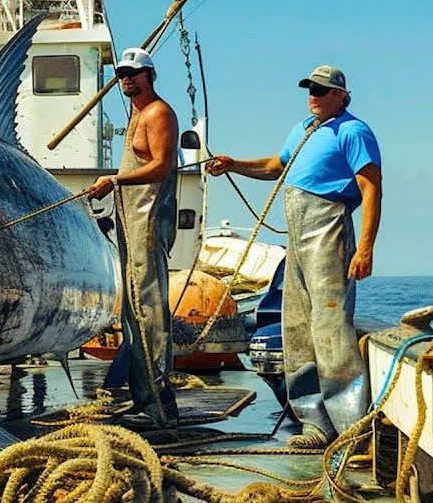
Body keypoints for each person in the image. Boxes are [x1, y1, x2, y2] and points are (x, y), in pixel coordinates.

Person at [206, 65, 380, 449]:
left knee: (330, 329)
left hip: (328, 233)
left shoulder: (353, 131)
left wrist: (365, 247)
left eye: (320, 89)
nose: (313, 95)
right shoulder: (303, 129)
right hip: (298, 243)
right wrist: (234, 164)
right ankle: (315, 424)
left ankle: (350, 428)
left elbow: (371, 189)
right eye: (309, 89)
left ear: (341, 95)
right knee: (297, 331)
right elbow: (275, 166)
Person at [84, 47, 180, 428]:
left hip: (148, 219)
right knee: (133, 307)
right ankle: (144, 397)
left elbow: (162, 166)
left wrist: (115, 180)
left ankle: (159, 402)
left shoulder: (158, 113)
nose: (127, 78)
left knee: (149, 307)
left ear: (149, 76)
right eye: (122, 73)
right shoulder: (135, 112)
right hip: (130, 220)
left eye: (134, 73)